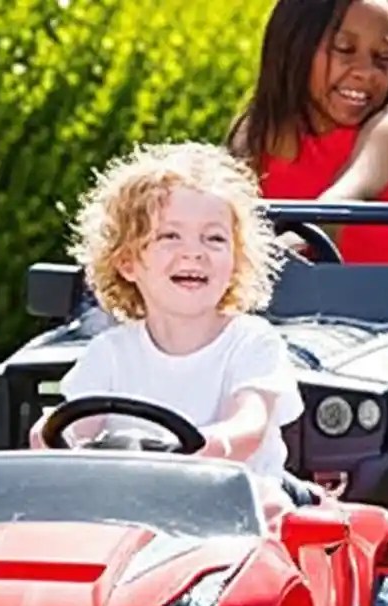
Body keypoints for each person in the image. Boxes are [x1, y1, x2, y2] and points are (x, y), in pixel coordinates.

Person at [27, 141, 311, 519]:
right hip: (129, 501)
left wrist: (197, 450)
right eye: (169, 236)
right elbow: (75, 423)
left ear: (236, 261)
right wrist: (53, 437)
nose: (193, 252)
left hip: (231, 503)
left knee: (270, 503)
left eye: (214, 239)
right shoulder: (111, 352)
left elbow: (250, 424)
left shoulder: (251, 342)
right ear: (127, 262)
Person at [224, 0, 388, 267]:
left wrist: (270, 254)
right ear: (294, 47)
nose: (365, 72)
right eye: (344, 49)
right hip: (294, 305)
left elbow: (337, 206)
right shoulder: (257, 132)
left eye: (383, 58)